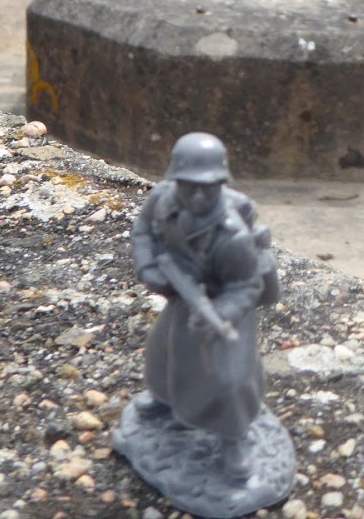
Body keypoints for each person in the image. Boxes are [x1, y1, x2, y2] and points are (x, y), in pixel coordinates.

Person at [131, 132, 280, 478]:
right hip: (183, 294)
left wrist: (222, 313)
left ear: (221, 184)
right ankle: (163, 399)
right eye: (189, 186)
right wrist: (149, 266)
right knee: (163, 352)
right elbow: (143, 230)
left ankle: (234, 440)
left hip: (225, 303)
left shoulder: (232, 237)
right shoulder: (164, 200)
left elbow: (245, 286)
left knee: (230, 379)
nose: (198, 195)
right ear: (175, 181)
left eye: (208, 187)